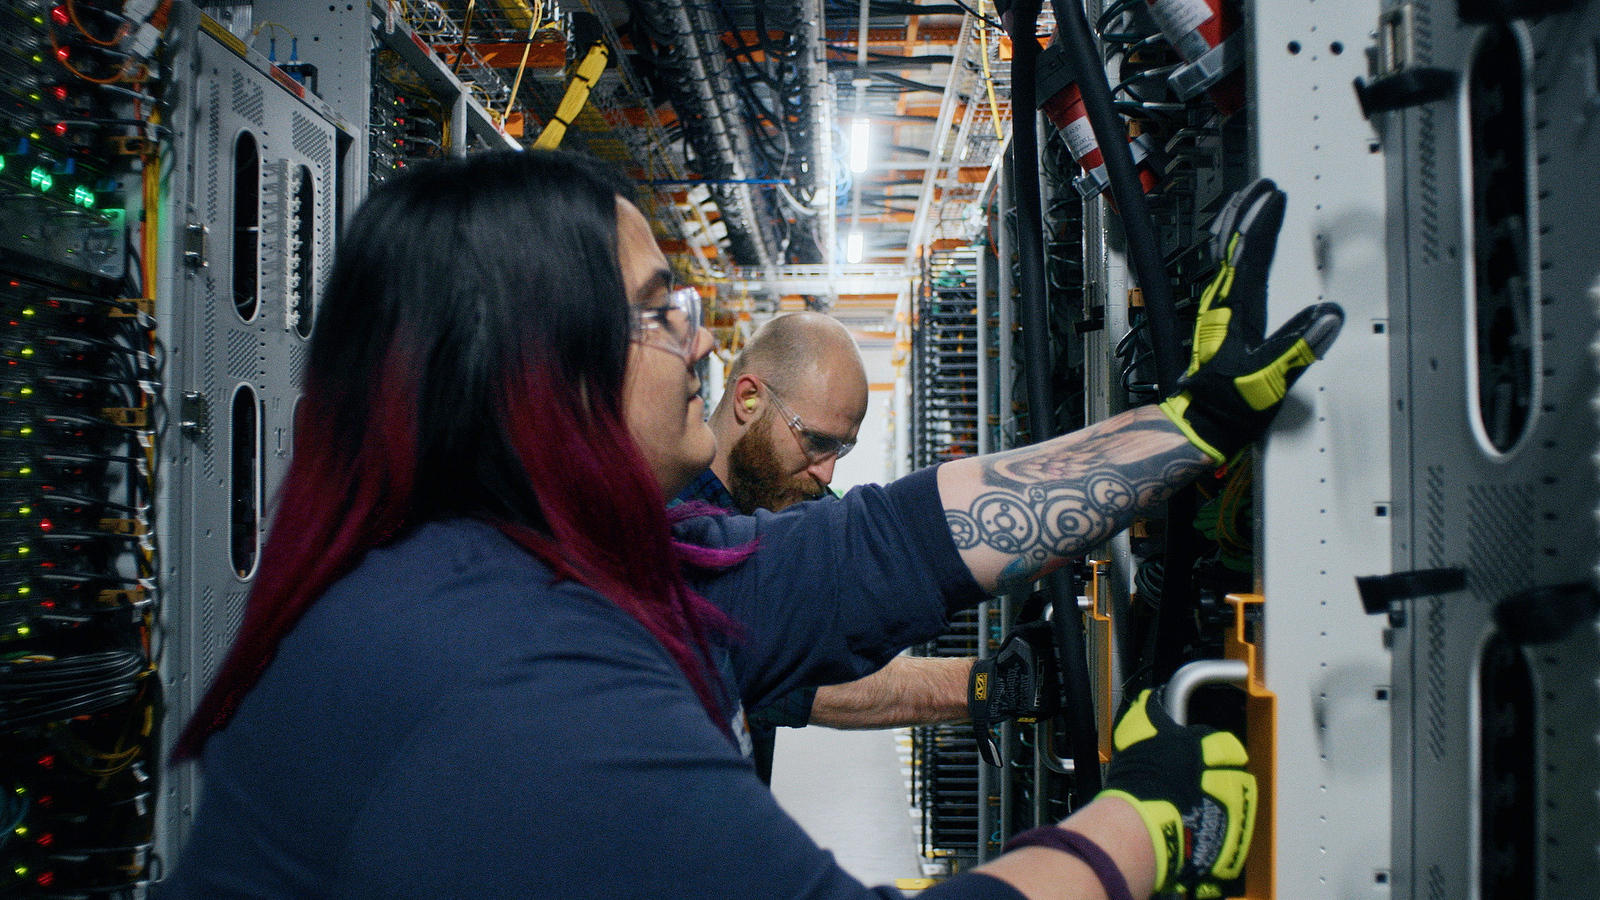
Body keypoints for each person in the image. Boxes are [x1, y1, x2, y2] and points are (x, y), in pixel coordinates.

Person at [157, 151, 1340, 899]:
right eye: (656, 312)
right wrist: (1147, 824)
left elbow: (875, 550)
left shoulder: (558, 566)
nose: (699, 341)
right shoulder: (498, 691)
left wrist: (1185, 427)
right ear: (540, 370)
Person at [686, 311, 982, 785]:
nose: (826, 473)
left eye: (840, 450)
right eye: (815, 442)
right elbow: (814, 685)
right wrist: (982, 687)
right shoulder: (678, 526)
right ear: (748, 397)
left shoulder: (776, 507)